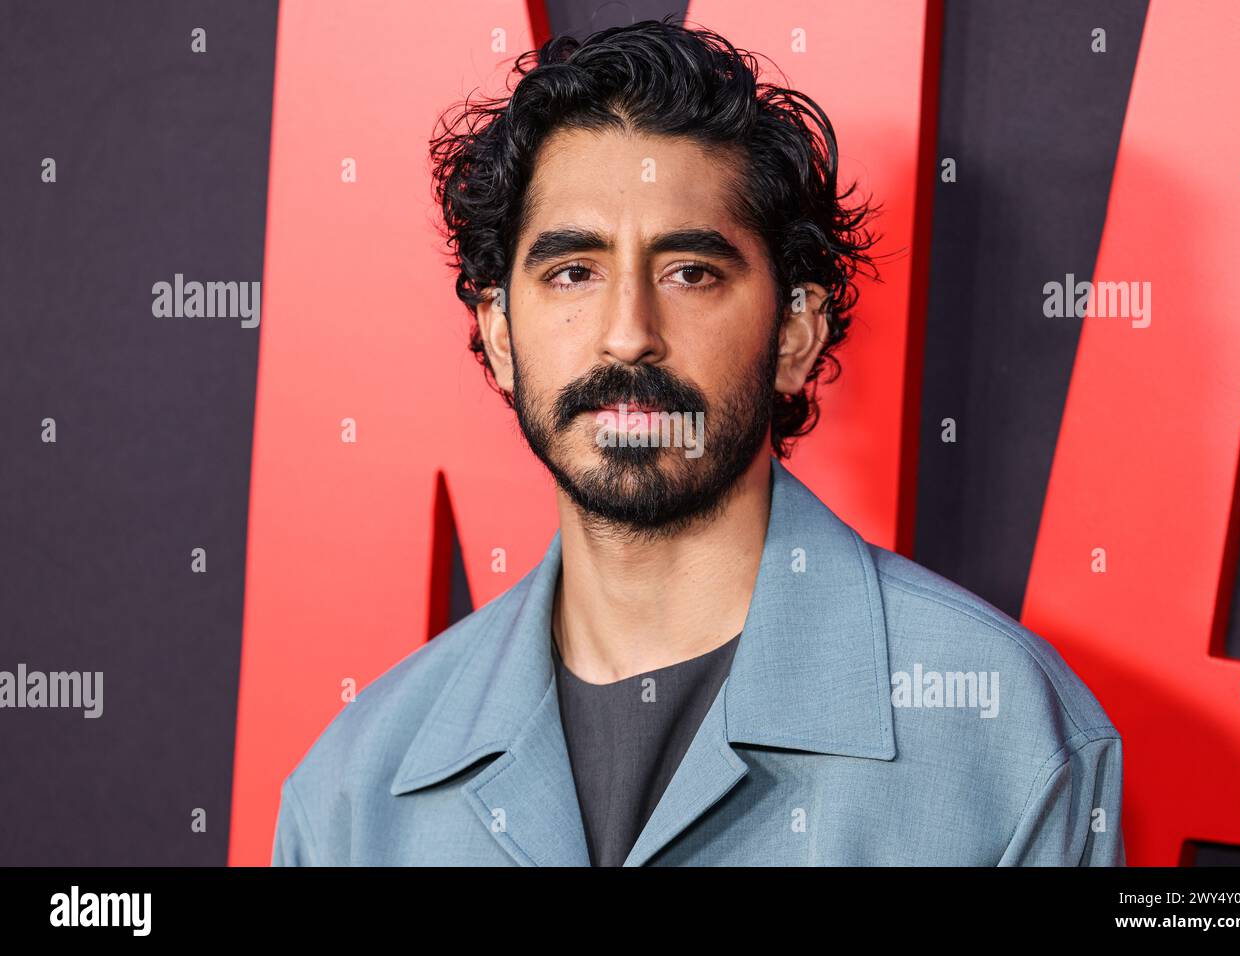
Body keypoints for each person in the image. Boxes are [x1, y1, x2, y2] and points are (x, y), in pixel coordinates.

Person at [272, 18, 1124, 866]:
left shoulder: (1010, 739)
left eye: (691, 273)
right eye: (573, 272)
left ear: (794, 334)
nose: (629, 334)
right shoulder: (353, 790)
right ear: (499, 335)